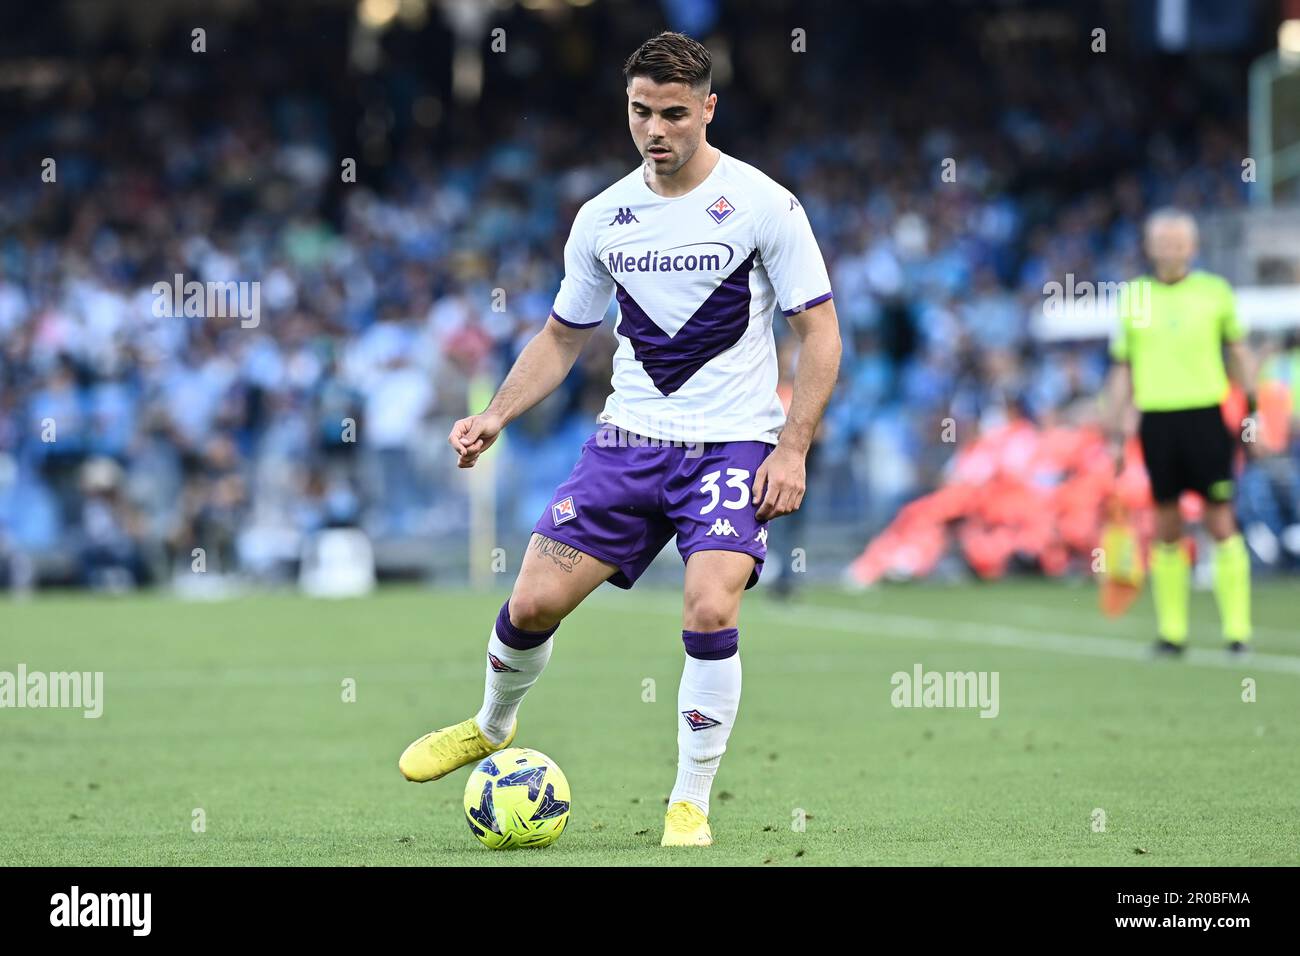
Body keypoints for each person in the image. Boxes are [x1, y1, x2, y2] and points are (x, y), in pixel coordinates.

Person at [398, 31, 841, 847]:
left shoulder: (764, 205)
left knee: (710, 608)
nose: (656, 130)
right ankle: (492, 727)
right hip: (628, 444)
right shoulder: (603, 217)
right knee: (529, 602)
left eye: (675, 113)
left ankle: (690, 801)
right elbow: (564, 337)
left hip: (733, 446)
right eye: (642, 112)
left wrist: (794, 446)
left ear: (708, 108)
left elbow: (822, 334)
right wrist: (496, 413)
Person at [1105, 208, 1255, 656]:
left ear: (1192, 247)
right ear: (1149, 247)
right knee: (1165, 522)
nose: (1170, 249)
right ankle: (1173, 633)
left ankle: (1238, 632)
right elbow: (1122, 368)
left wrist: (1253, 411)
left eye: (1178, 242)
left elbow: (1239, 352)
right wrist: (1115, 430)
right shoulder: (1133, 296)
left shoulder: (1215, 293)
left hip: (1205, 416)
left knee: (1220, 518)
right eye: (1162, 241)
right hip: (1157, 420)